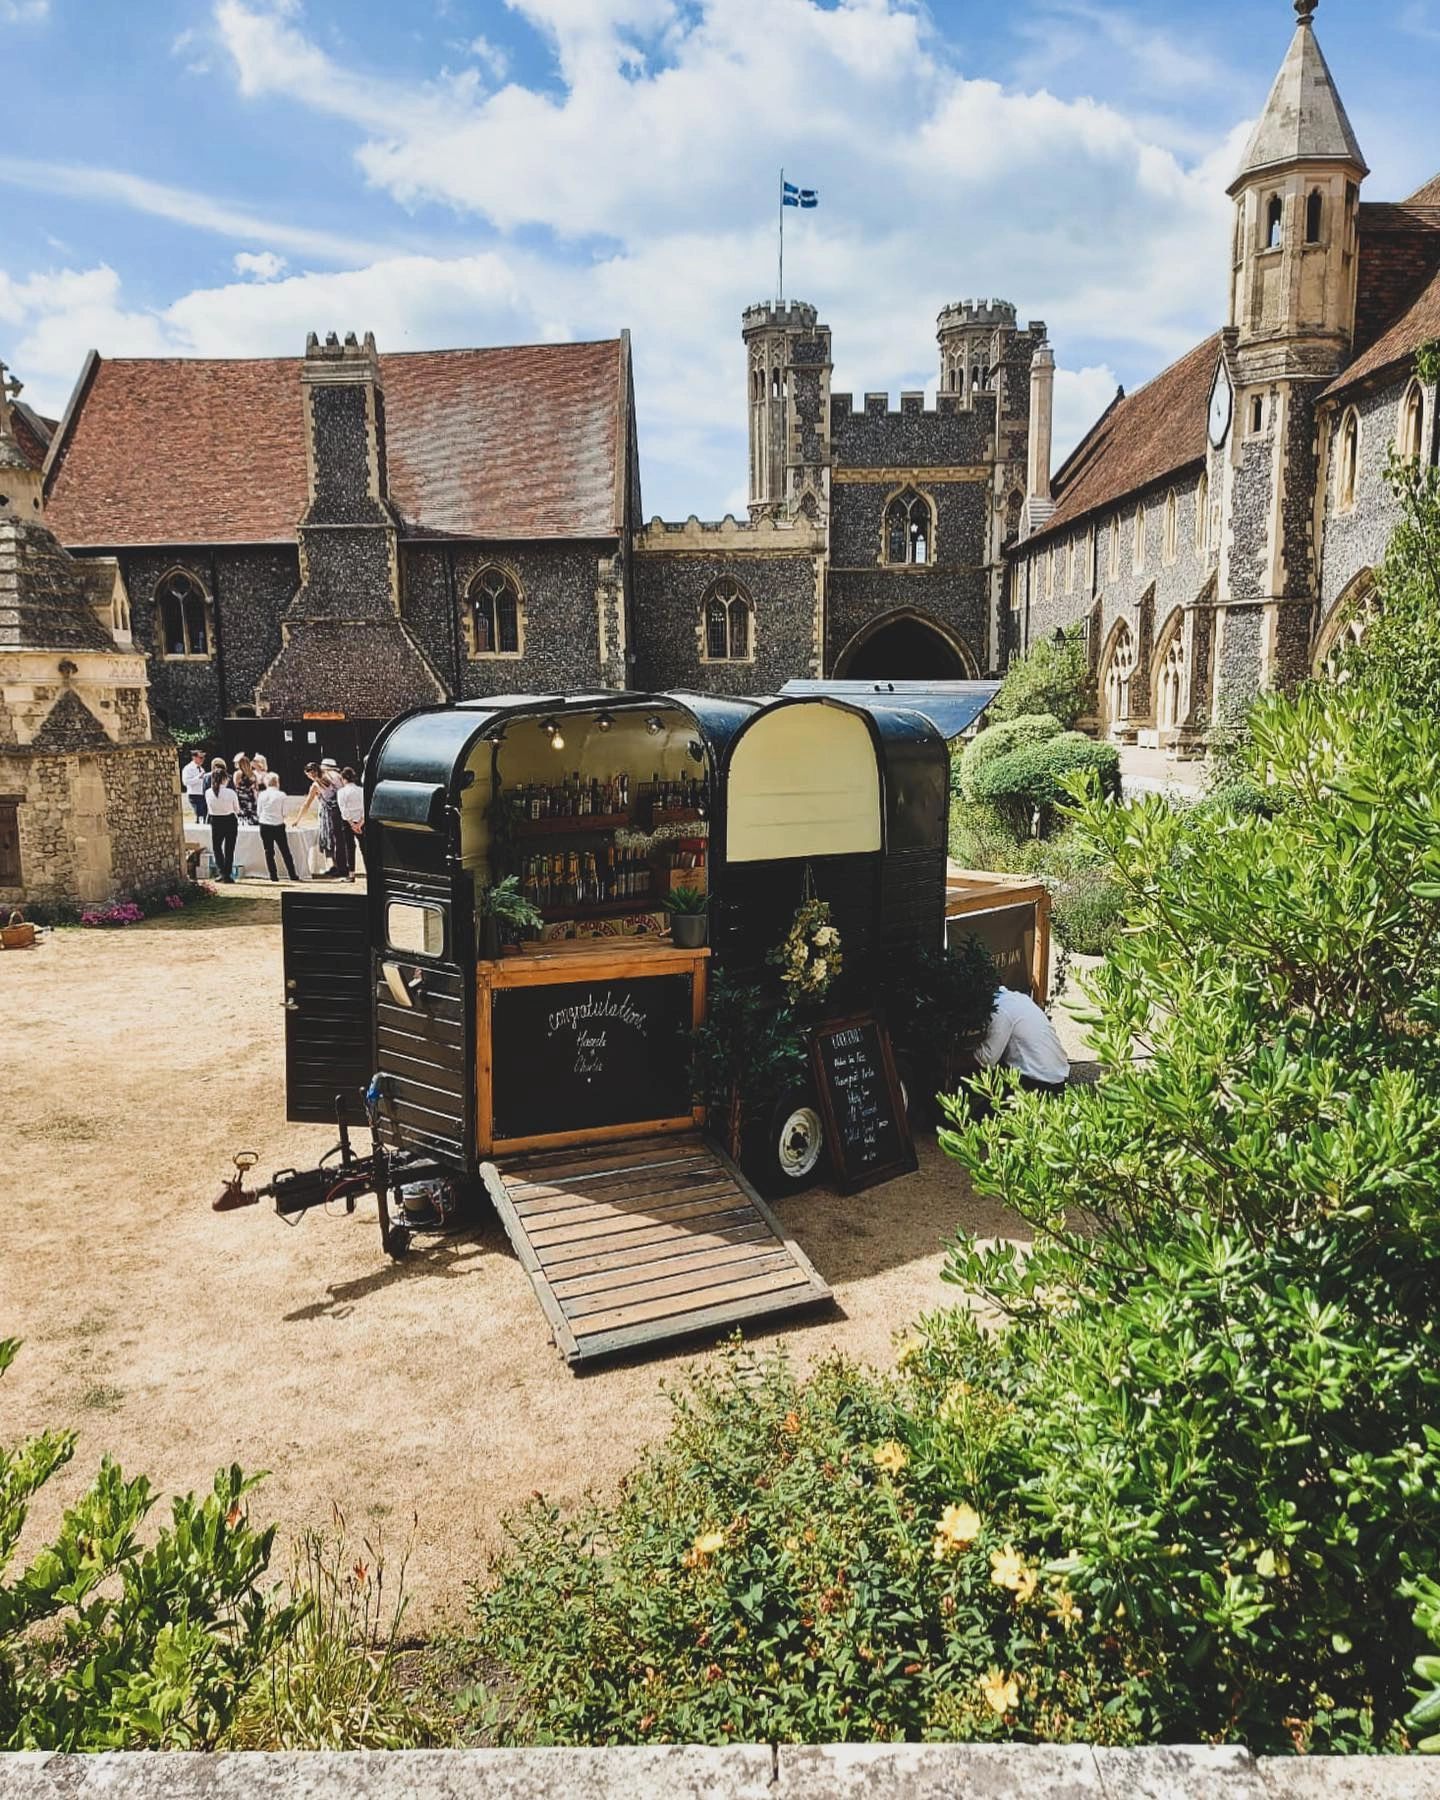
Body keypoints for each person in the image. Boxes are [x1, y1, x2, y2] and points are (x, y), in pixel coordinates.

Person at [972, 985, 1070, 1096]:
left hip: (1039, 1083)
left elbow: (986, 1059)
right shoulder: (1019, 999)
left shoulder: (1000, 1011)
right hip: (1058, 1077)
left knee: (979, 1112)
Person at [256, 772, 298, 882]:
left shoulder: (262, 795)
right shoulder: (282, 795)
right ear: (277, 782)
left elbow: (259, 812)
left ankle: (273, 875)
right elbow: (285, 813)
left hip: (265, 824)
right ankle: (292, 874)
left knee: (268, 851)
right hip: (278, 825)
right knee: (285, 851)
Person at [205, 758, 241, 883]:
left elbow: (209, 808)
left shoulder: (208, 792)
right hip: (229, 820)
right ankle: (227, 873)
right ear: (224, 779)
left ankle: (222, 871)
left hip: (216, 820)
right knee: (229, 848)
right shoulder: (230, 792)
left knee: (217, 847)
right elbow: (237, 809)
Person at [334, 765, 365, 882]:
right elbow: (364, 807)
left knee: (350, 848)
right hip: (361, 821)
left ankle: (351, 874)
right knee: (364, 848)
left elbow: (343, 809)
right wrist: (360, 823)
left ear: (343, 779)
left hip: (348, 821)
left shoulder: (341, 792)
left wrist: (352, 824)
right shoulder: (361, 790)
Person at [181, 749, 209, 824]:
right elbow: (186, 782)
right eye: (200, 758)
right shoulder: (188, 769)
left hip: (203, 794)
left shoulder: (202, 769)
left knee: (205, 816)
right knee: (199, 815)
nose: (202, 760)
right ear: (194, 758)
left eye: (203, 758)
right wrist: (198, 778)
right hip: (194, 794)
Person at [233, 752, 259, 826]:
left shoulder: (238, 773)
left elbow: (236, 785)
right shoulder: (253, 775)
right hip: (251, 798)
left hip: (241, 798)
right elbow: (256, 787)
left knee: (242, 818)